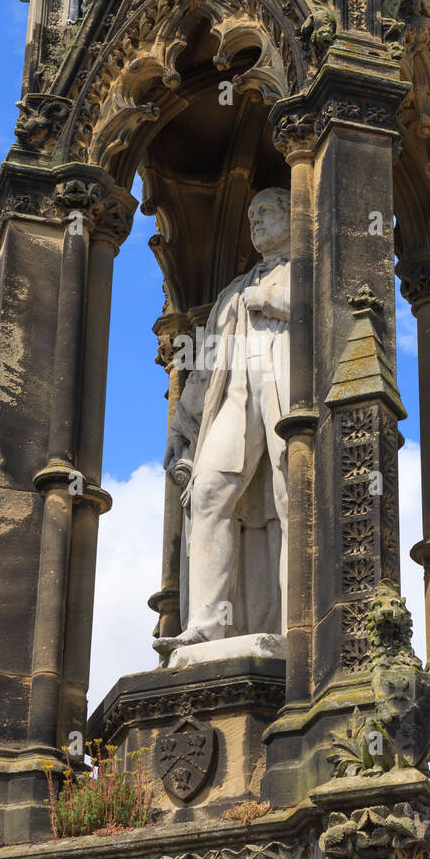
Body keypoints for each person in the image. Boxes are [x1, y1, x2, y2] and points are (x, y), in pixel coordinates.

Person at [157, 187, 291, 653]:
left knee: (294, 496)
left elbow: (336, 316)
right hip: (234, 398)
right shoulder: (232, 294)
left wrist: (275, 301)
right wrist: (182, 424)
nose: (256, 222)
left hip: (286, 395)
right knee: (208, 494)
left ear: (295, 217)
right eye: (251, 215)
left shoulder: (310, 269)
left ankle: (301, 626)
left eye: (267, 212)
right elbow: (205, 366)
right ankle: (208, 624)